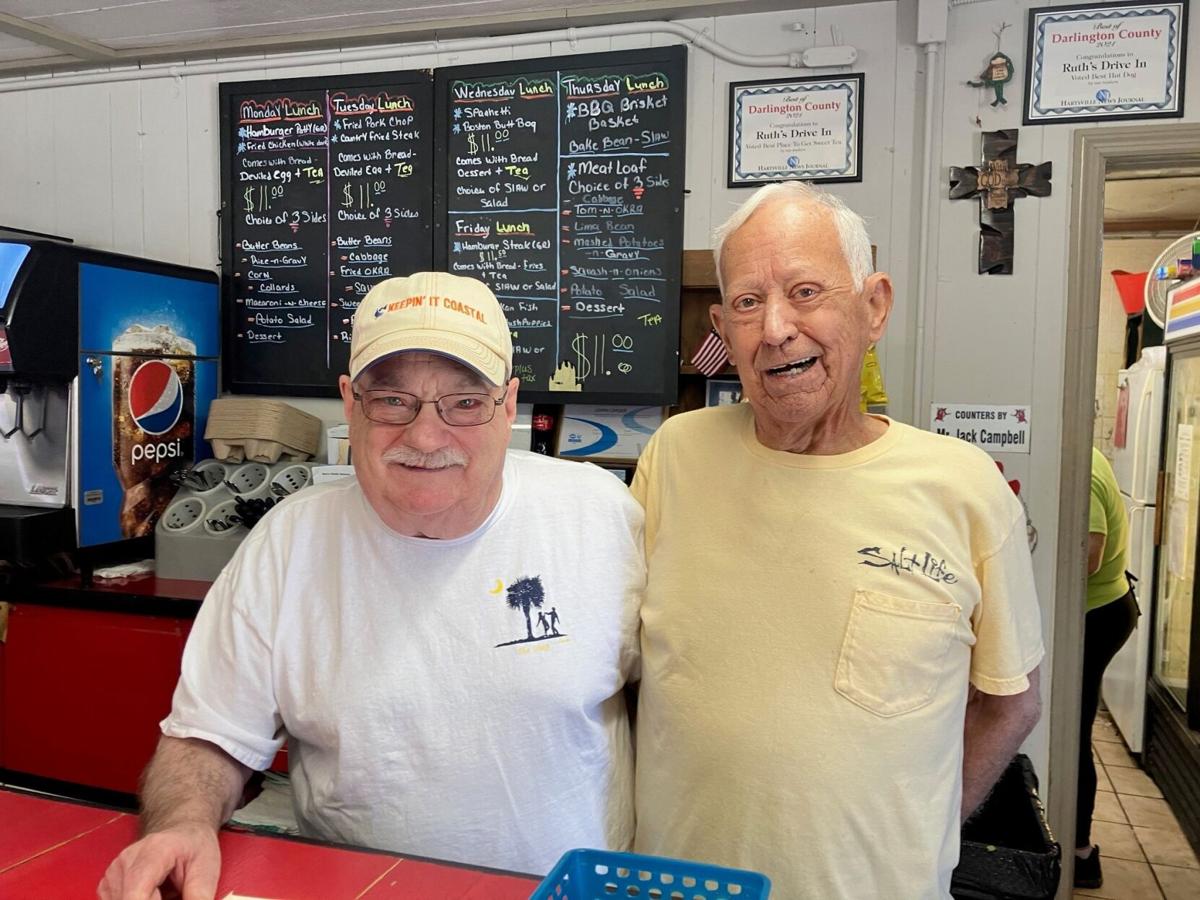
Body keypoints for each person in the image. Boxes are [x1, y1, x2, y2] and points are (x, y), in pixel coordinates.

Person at [99, 272, 643, 899]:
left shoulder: (600, 517)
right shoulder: (288, 542)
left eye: (465, 402)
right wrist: (183, 824)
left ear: (508, 404)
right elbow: (207, 737)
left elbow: (670, 712)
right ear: (351, 404)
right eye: (391, 400)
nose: (426, 437)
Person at [631, 182, 1044, 898]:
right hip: (677, 885)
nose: (776, 329)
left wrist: (921, 834)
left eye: (805, 291)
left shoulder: (963, 489)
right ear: (722, 326)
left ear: (874, 306)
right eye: (748, 302)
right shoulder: (675, 454)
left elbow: (1011, 703)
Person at [1074, 446, 1138, 890]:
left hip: (1097, 614)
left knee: (1072, 730)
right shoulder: (1083, 451)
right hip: (1103, 607)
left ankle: (1081, 852)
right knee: (1072, 725)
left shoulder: (1083, 470)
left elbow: (1088, 555)